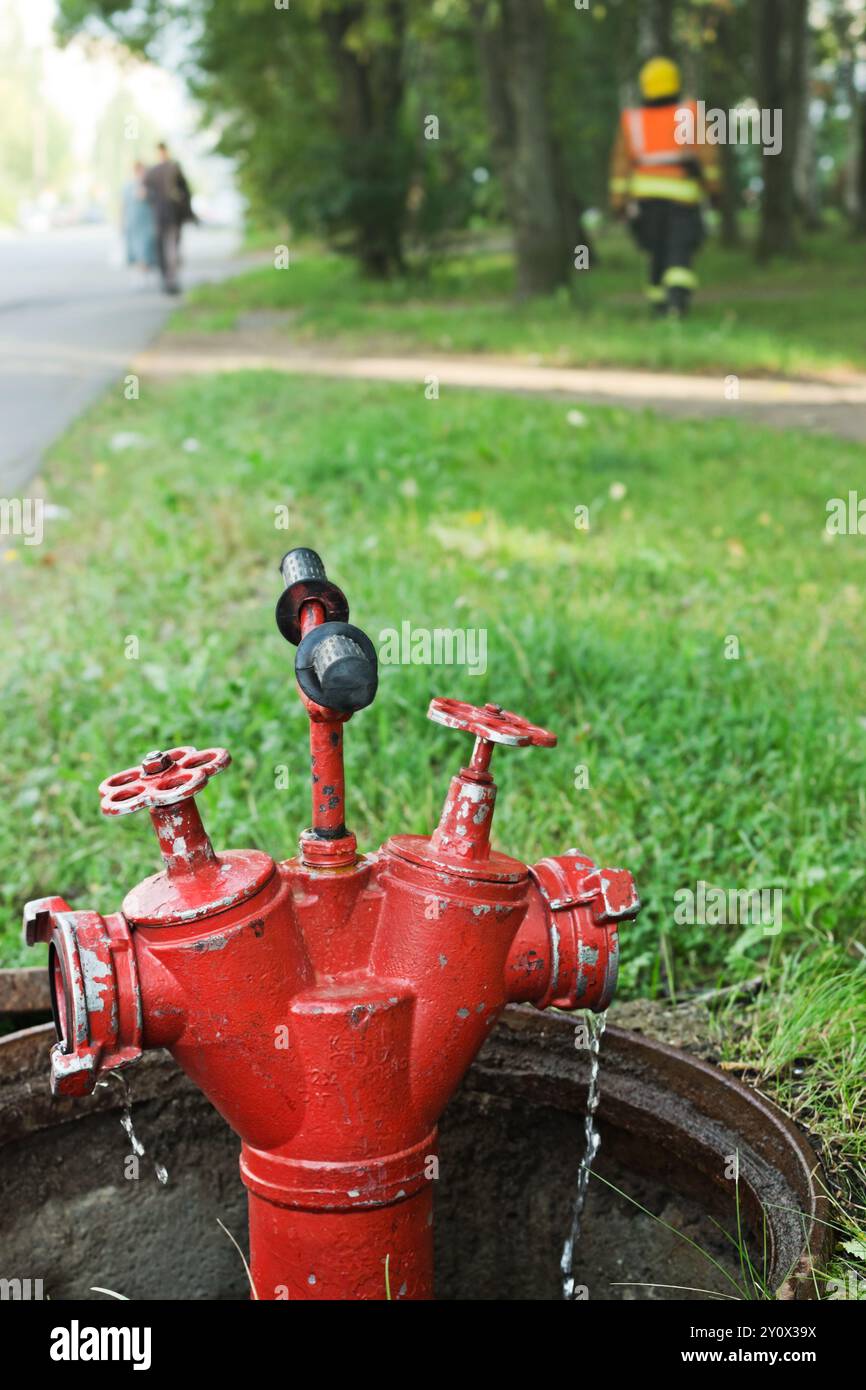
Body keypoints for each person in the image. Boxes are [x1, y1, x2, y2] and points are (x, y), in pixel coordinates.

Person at [608, 57, 720, 318]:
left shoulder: (632, 120)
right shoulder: (690, 114)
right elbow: (708, 157)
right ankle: (677, 305)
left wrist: (618, 203)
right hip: (683, 200)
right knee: (679, 252)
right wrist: (714, 191)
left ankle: (659, 306)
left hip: (646, 203)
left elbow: (620, 166)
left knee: (656, 254)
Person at [144, 142, 196, 295]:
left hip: (173, 216)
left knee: (172, 248)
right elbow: (145, 193)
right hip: (160, 216)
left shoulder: (173, 168)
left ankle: (171, 279)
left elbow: (185, 191)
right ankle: (167, 279)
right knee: (165, 248)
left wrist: (184, 208)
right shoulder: (152, 172)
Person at [121, 161, 158, 275]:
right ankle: (140, 271)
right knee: (136, 248)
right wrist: (121, 221)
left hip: (147, 222)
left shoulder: (149, 186)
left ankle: (145, 270)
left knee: (146, 247)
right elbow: (123, 205)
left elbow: (155, 203)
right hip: (134, 222)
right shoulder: (128, 186)